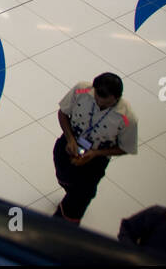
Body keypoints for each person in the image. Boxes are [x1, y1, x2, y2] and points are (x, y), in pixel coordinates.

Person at [53, 73, 137, 226]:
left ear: (116, 97)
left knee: (80, 197)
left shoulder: (127, 119)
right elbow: (63, 113)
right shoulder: (81, 91)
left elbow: (126, 147)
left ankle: (62, 224)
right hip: (69, 144)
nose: (98, 101)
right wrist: (70, 138)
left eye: (104, 99)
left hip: (95, 160)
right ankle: (70, 194)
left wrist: (96, 153)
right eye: (97, 94)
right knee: (63, 177)